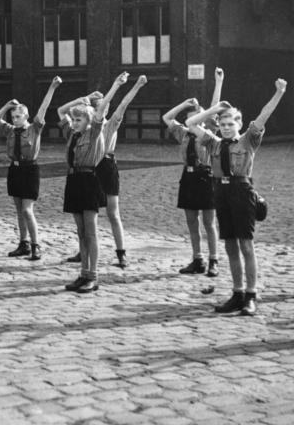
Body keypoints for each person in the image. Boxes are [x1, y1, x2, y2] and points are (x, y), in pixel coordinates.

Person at [186, 78, 287, 316]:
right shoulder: (213, 143)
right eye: (223, 123)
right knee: (230, 246)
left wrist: (279, 93)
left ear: (240, 124)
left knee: (246, 245)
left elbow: (263, 116)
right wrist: (214, 109)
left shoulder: (248, 141)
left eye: (231, 123)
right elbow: (191, 123)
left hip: (242, 191)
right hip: (220, 192)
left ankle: (251, 295)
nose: (227, 127)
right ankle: (237, 292)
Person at [57, 74, 125, 293]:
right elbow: (61, 111)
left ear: (88, 122)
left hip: (89, 181)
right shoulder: (72, 134)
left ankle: (92, 276)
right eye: (74, 120)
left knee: (90, 231)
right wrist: (83, 98)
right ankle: (83, 273)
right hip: (74, 180)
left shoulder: (94, 133)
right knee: (80, 231)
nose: (75, 122)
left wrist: (115, 85)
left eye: (79, 120)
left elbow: (101, 112)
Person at [162, 67, 225, 277]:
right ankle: (197, 259)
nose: (192, 123)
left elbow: (216, 108)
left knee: (208, 221)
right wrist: (184, 105)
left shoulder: (207, 132)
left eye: (196, 118)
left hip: (205, 176)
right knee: (191, 220)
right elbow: (167, 118)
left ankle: (213, 260)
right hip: (188, 177)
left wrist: (218, 83)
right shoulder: (183, 134)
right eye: (190, 119)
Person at [0, 76, 62, 260]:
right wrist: (6, 106)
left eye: (18, 116)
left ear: (26, 116)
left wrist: (52, 87)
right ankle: (24, 244)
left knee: (27, 210)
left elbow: (44, 108)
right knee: (18, 209)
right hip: (14, 170)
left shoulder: (34, 128)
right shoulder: (11, 130)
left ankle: (36, 244)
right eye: (13, 117)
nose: (14, 120)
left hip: (30, 170)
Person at [94, 73, 148, 269]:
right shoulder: (88, 126)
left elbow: (123, 105)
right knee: (88, 212)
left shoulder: (110, 124)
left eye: (104, 105)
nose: (101, 108)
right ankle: (84, 249)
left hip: (106, 167)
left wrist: (136, 86)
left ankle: (121, 253)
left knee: (112, 213)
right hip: (91, 168)